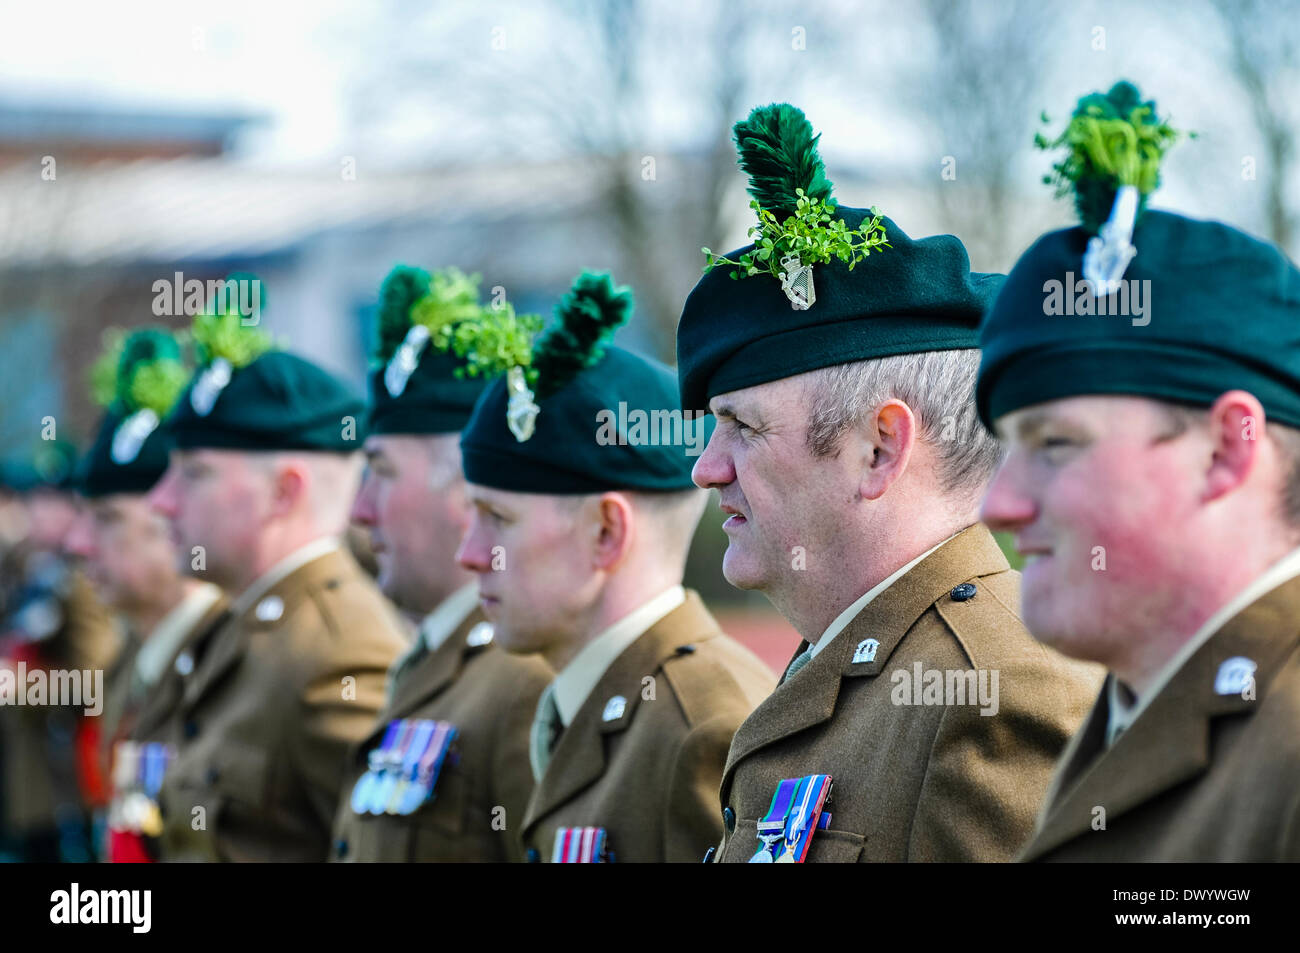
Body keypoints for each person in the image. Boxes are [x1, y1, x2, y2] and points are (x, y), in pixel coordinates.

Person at [677, 103, 1101, 862]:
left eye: (743, 427)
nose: (707, 467)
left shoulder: (999, 694)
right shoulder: (853, 655)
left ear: (879, 449)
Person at [977, 81, 1300, 861]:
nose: (998, 503)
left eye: (1055, 442)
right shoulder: (1132, 713)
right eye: (1006, 445)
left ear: (1227, 448)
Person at [454, 271, 774, 862]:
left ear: (606, 532)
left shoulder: (705, 731)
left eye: (497, 517)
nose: (470, 553)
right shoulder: (591, 704)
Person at [147, 283, 406, 861]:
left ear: (283, 492)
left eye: (194, 474)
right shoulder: (240, 628)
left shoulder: (338, 652)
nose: (162, 501)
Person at [331, 266, 550, 862]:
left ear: (466, 489)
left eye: (380, 472)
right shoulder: (431, 659)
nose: (360, 510)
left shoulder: (524, 684)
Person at [63, 327, 228, 861]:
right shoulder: (133, 661)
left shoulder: (233, 657)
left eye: (107, 520)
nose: (78, 543)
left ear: (172, 520)